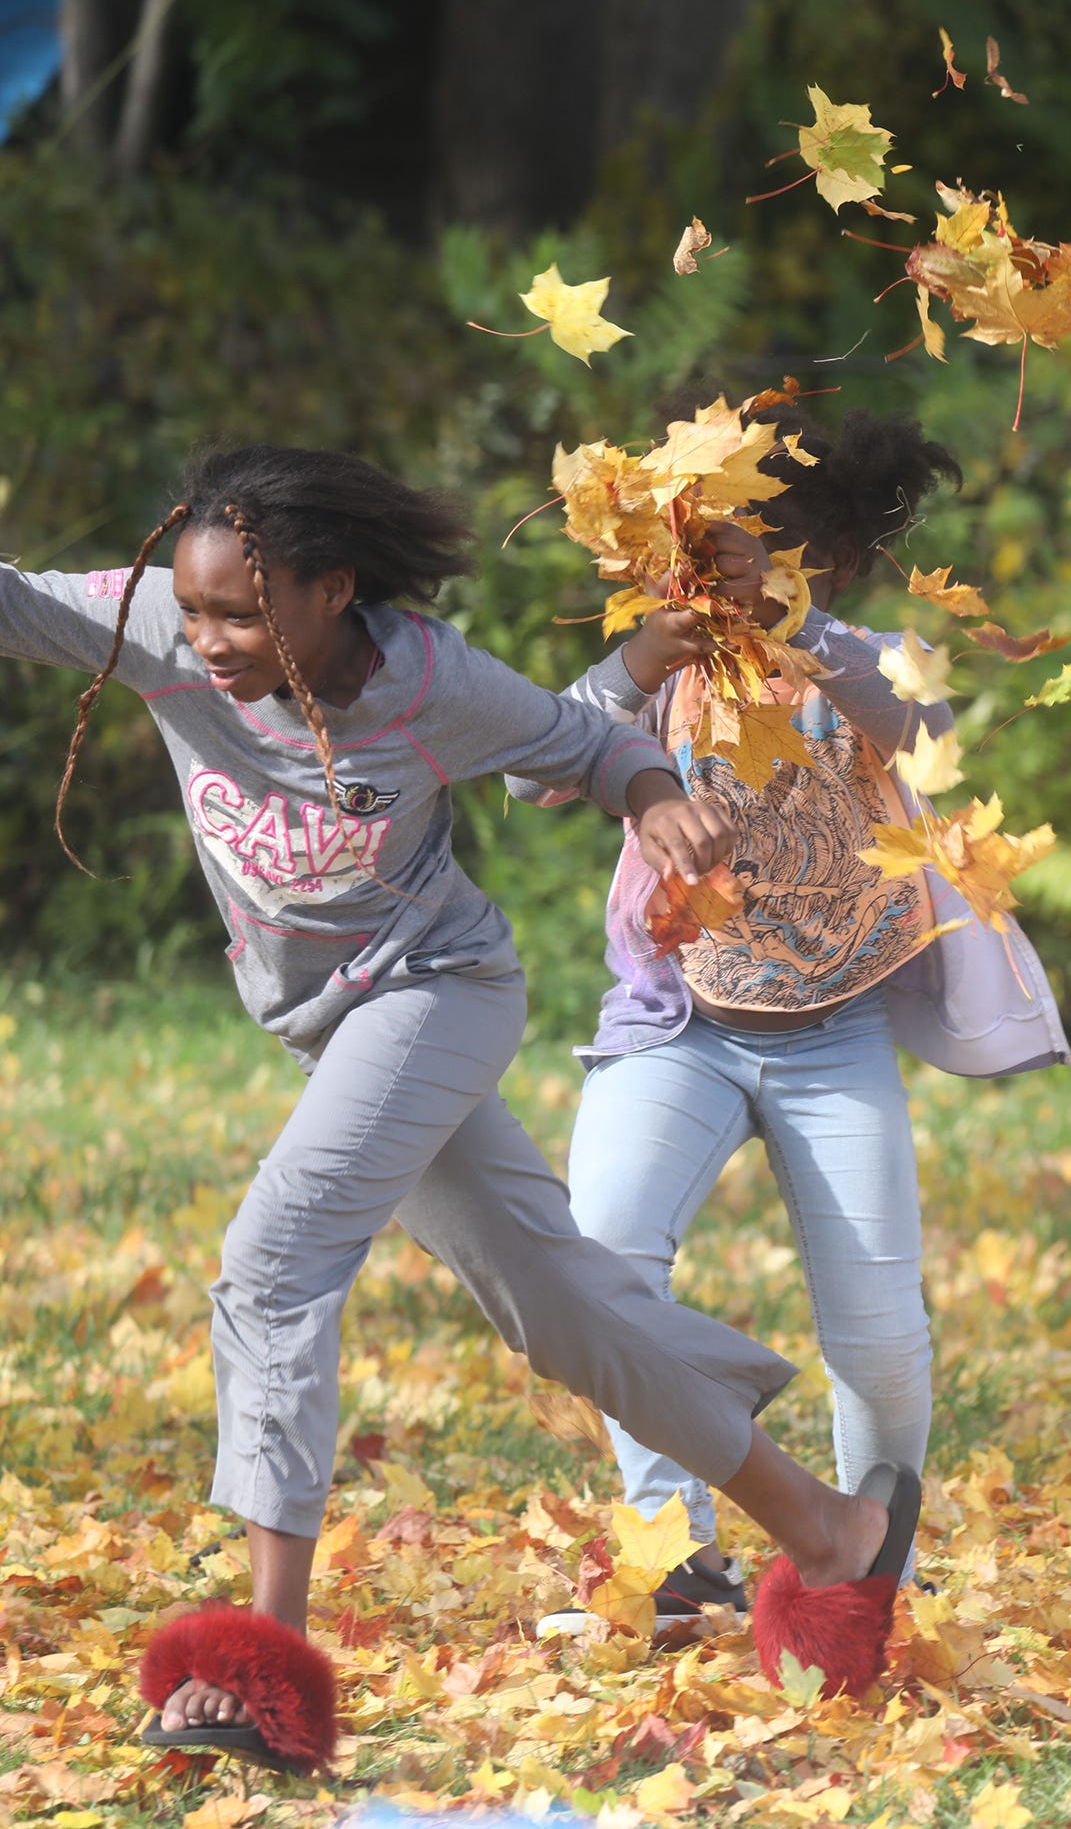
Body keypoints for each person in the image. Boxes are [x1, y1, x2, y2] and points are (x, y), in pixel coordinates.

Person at [7, 446, 917, 1776]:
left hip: (438, 993)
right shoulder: (154, 623)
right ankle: (829, 1531)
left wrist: (659, 798)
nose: (207, 640)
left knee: (273, 1263)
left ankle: (264, 1665)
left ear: (333, 589)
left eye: (241, 616)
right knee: (565, 1307)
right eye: (194, 612)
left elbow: (589, 744)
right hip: (329, 1026)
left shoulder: (429, 680)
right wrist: (177, 618)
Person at [510, 406, 1069, 1641]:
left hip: (836, 1037)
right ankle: (675, 1555)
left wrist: (799, 628)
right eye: (709, 546)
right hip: (676, 1024)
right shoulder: (661, 669)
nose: (729, 572)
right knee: (603, 1263)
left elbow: (931, 744)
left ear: (834, 558)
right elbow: (530, 770)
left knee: (878, 1337)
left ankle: (872, 1569)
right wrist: (638, 662)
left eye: (760, 549)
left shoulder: (875, 654)